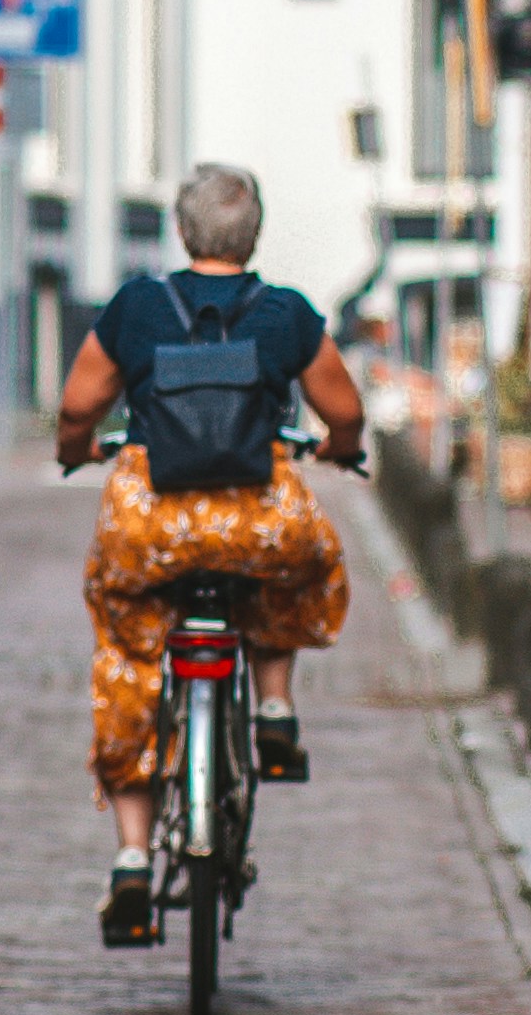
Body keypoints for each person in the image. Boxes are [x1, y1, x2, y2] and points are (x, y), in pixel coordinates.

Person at [55, 160, 362, 947]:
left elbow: (77, 404)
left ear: (180, 231)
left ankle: (130, 858)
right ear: (252, 234)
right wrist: (338, 447)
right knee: (302, 569)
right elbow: (344, 409)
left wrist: (75, 448)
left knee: (125, 647)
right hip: (255, 518)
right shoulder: (285, 313)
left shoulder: (137, 307)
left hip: (151, 523)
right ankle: (274, 706)